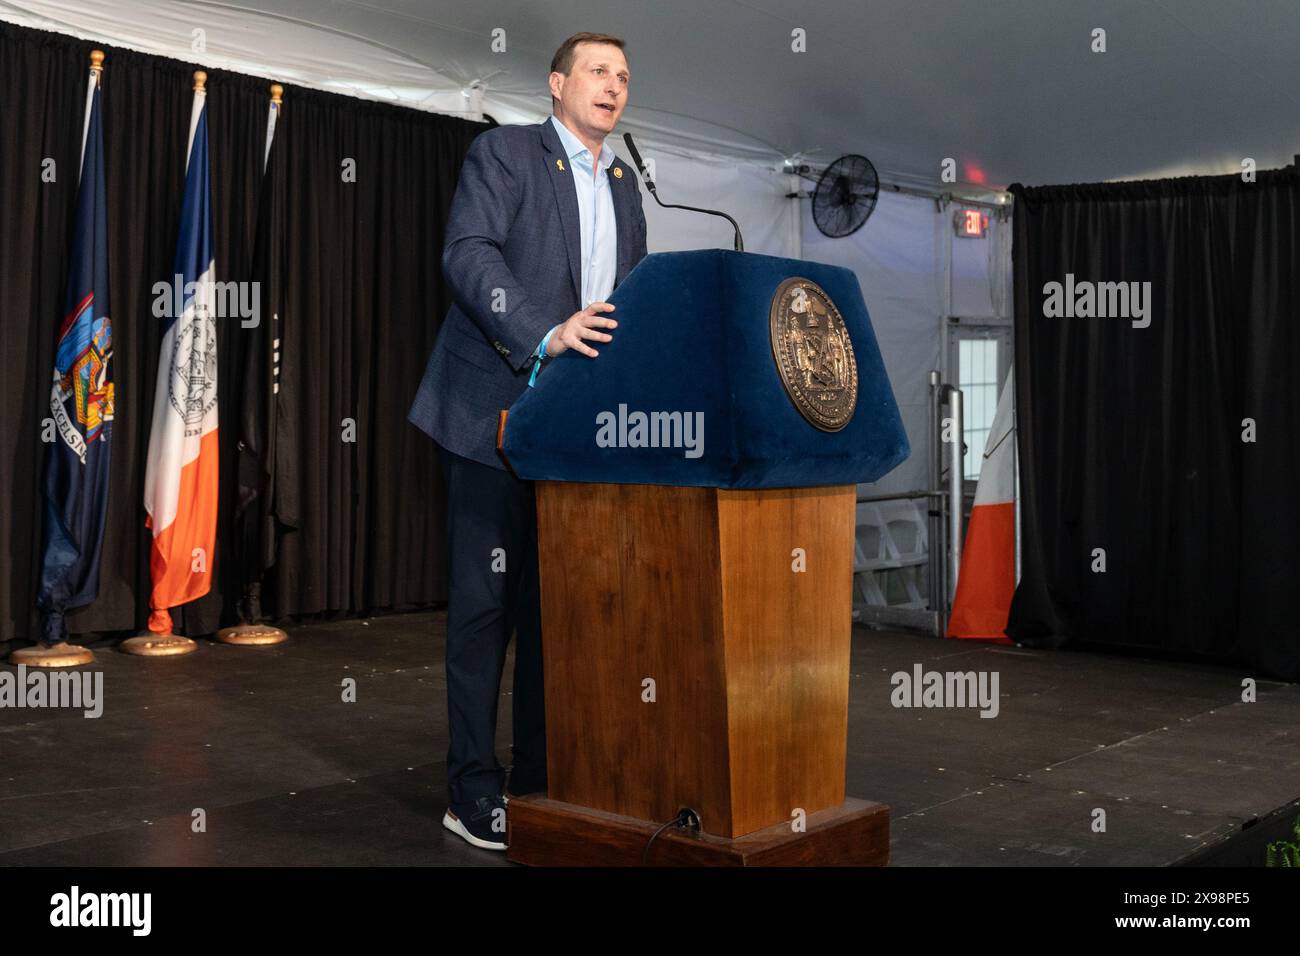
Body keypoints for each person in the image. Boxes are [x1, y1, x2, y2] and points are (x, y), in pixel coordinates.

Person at [407, 31, 648, 851]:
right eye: (597, 72)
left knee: (556, 617)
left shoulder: (624, 182)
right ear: (557, 84)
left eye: (622, 76)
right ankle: (471, 792)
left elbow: (625, 305)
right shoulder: (505, 153)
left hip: (572, 439)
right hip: (487, 420)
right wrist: (543, 331)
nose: (613, 86)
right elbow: (467, 254)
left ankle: (539, 783)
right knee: (485, 614)